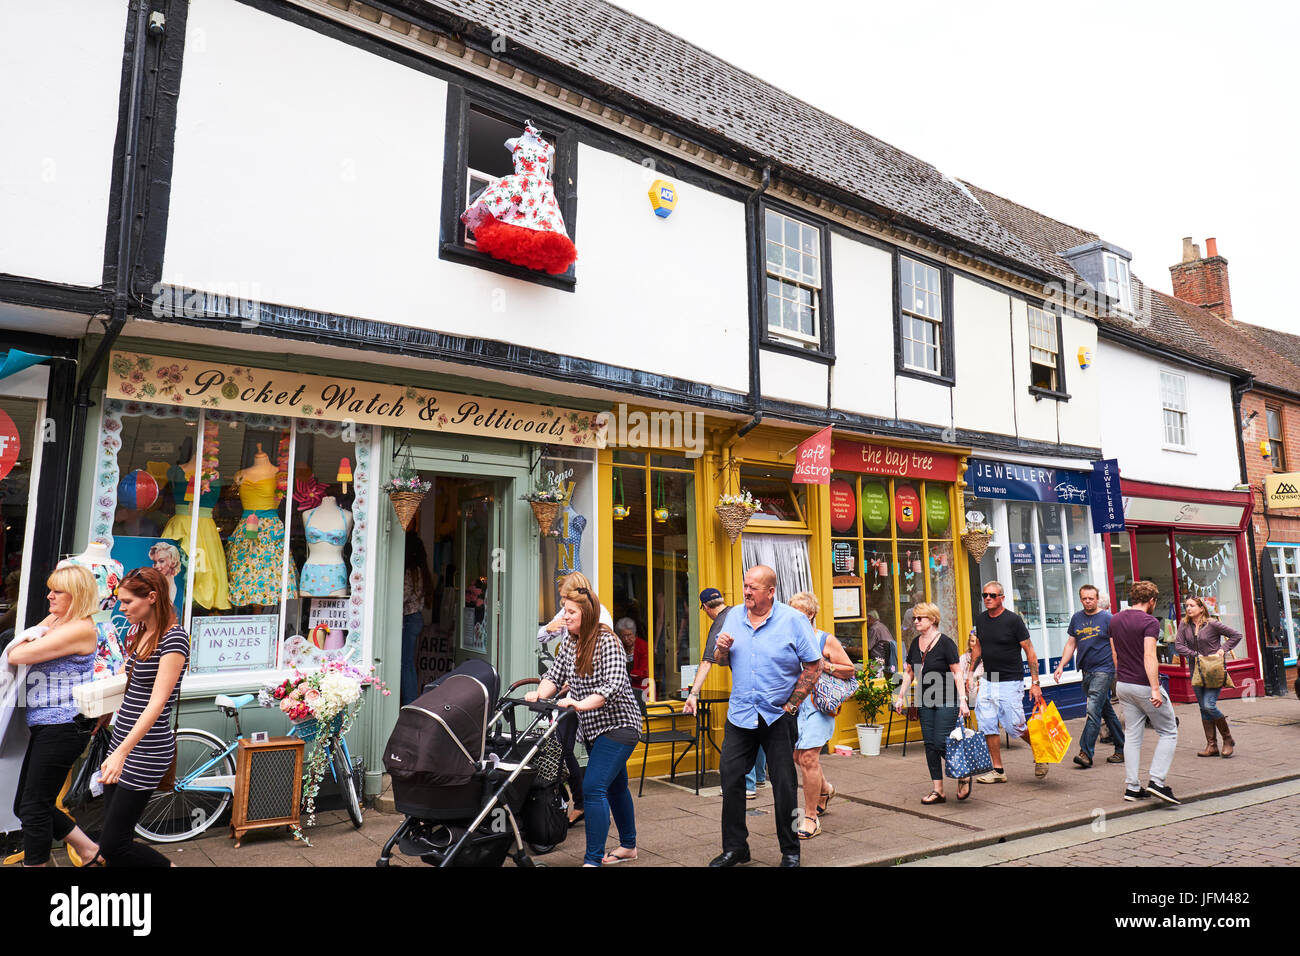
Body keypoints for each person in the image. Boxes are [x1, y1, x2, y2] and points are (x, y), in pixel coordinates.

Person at [707, 565, 823, 868]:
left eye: (753, 588)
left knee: (784, 785)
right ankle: (736, 848)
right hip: (741, 714)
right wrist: (721, 650)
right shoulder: (733, 616)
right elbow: (721, 660)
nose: (746, 592)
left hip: (777, 716)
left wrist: (792, 705)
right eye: (745, 586)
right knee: (731, 779)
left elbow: (814, 665)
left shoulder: (793, 620)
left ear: (770, 592)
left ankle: (791, 851)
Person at [525, 580, 640, 866]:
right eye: (564, 611)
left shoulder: (608, 641)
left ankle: (592, 860)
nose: (565, 617)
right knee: (616, 787)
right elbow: (554, 676)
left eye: (571, 612)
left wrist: (578, 703)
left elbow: (612, 686)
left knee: (593, 787)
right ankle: (628, 846)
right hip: (592, 728)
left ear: (587, 614)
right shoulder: (570, 643)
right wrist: (539, 693)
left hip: (620, 726)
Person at [7, 565, 102, 867]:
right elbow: (26, 639)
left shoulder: (80, 628)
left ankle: (36, 864)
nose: (49, 596)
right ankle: (88, 850)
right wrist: (46, 624)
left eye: (58, 591)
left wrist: (31, 636)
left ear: (77, 595)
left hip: (63, 726)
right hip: (49, 725)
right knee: (27, 805)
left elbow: (16, 654)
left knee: (33, 807)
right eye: (51, 589)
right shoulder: (63, 621)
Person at [97, 566, 190, 865]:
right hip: (122, 741)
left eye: (128, 602)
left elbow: (157, 703)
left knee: (114, 845)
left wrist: (122, 753)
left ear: (151, 597)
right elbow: (130, 684)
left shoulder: (174, 639)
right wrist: (105, 711)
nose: (122, 608)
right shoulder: (141, 633)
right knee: (112, 840)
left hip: (146, 750)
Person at [537, 572, 615, 829]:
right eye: (562, 601)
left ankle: (589, 804)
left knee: (592, 758)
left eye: (565, 598)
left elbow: (605, 668)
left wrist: (575, 679)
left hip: (596, 704)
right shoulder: (567, 614)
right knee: (562, 745)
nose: (562, 606)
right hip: (571, 697)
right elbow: (542, 637)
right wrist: (549, 629)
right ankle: (576, 802)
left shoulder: (600, 618)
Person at [684, 587, 767, 798]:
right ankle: (759, 776)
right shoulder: (740, 613)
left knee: (744, 730)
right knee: (758, 724)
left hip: (748, 685)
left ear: (705, 607)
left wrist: (693, 693)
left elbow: (707, 662)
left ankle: (747, 785)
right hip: (766, 683)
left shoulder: (723, 622)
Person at [787, 591, 854, 838]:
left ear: (811, 614)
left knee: (808, 758)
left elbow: (849, 670)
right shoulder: (788, 639)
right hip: (794, 706)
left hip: (818, 705)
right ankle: (824, 789)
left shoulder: (824, 639)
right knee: (797, 755)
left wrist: (826, 665)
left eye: (799, 613)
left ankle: (810, 818)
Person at [967, 581, 1047, 783]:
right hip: (989, 679)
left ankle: (1041, 751)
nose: (988, 598)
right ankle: (998, 770)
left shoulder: (1013, 620)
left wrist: (1035, 683)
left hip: (1011, 679)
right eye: (985, 595)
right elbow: (978, 648)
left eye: (992, 595)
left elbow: (1030, 651)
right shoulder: (981, 619)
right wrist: (970, 674)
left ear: (1002, 598)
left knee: (1015, 726)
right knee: (987, 725)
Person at [1112, 580, 1180, 804]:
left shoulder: (1115, 619)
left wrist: (1122, 677)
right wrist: (1155, 689)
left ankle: (1132, 787)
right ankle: (1157, 782)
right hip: (1143, 684)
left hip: (1123, 684)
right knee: (1168, 731)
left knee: (1132, 735)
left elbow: (1115, 655)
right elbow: (1149, 656)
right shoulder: (1149, 622)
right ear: (1151, 601)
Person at [895, 601, 969, 804]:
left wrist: (963, 700)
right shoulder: (915, 643)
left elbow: (957, 673)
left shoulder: (946, 643)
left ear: (933, 619)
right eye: (914, 618)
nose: (916, 621)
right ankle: (938, 790)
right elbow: (909, 672)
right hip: (925, 699)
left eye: (920, 618)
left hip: (947, 698)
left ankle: (963, 772)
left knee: (940, 741)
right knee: (929, 745)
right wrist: (900, 696)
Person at [1053, 584, 1123, 767]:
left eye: (1091, 598)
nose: (1088, 601)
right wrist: (1061, 665)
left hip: (1104, 670)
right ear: (1080, 599)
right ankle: (1122, 748)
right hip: (1086, 671)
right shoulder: (1077, 618)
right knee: (1106, 711)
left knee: (1092, 710)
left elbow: (1115, 647)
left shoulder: (1108, 618)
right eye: (1084, 598)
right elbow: (1071, 644)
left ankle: (1085, 752)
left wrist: (1119, 671)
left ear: (1097, 599)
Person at [1174, 596, 1242, 758]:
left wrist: (1223, 649)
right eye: (1186, 606)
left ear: (1201, 608)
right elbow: (1179, 645)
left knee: (1209, 705)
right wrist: (1194, 654)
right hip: (1196, 671)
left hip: (1213, 670)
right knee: (1203, 707)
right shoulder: (1184, 624)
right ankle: (1212, 745)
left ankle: (1228, 739)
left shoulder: (1212, 624)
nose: (1188, 608)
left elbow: (1236, 635)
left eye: (1192, 605)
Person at [401, 533, 434, 706]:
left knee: (406, 664)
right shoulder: (422, 571)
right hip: (416, 618)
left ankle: (410, 701)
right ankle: (410, 700)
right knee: (409, 662)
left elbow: (403, 596)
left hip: (408, 618)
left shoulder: (410, 572)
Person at [865, 609, 897, 677]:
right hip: (888, 663)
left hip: (878, 664)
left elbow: (865, 649)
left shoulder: (874, 629)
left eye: (865, 618)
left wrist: (849, 649)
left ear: (869, 617)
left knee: (855, 667)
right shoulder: (882, 626)